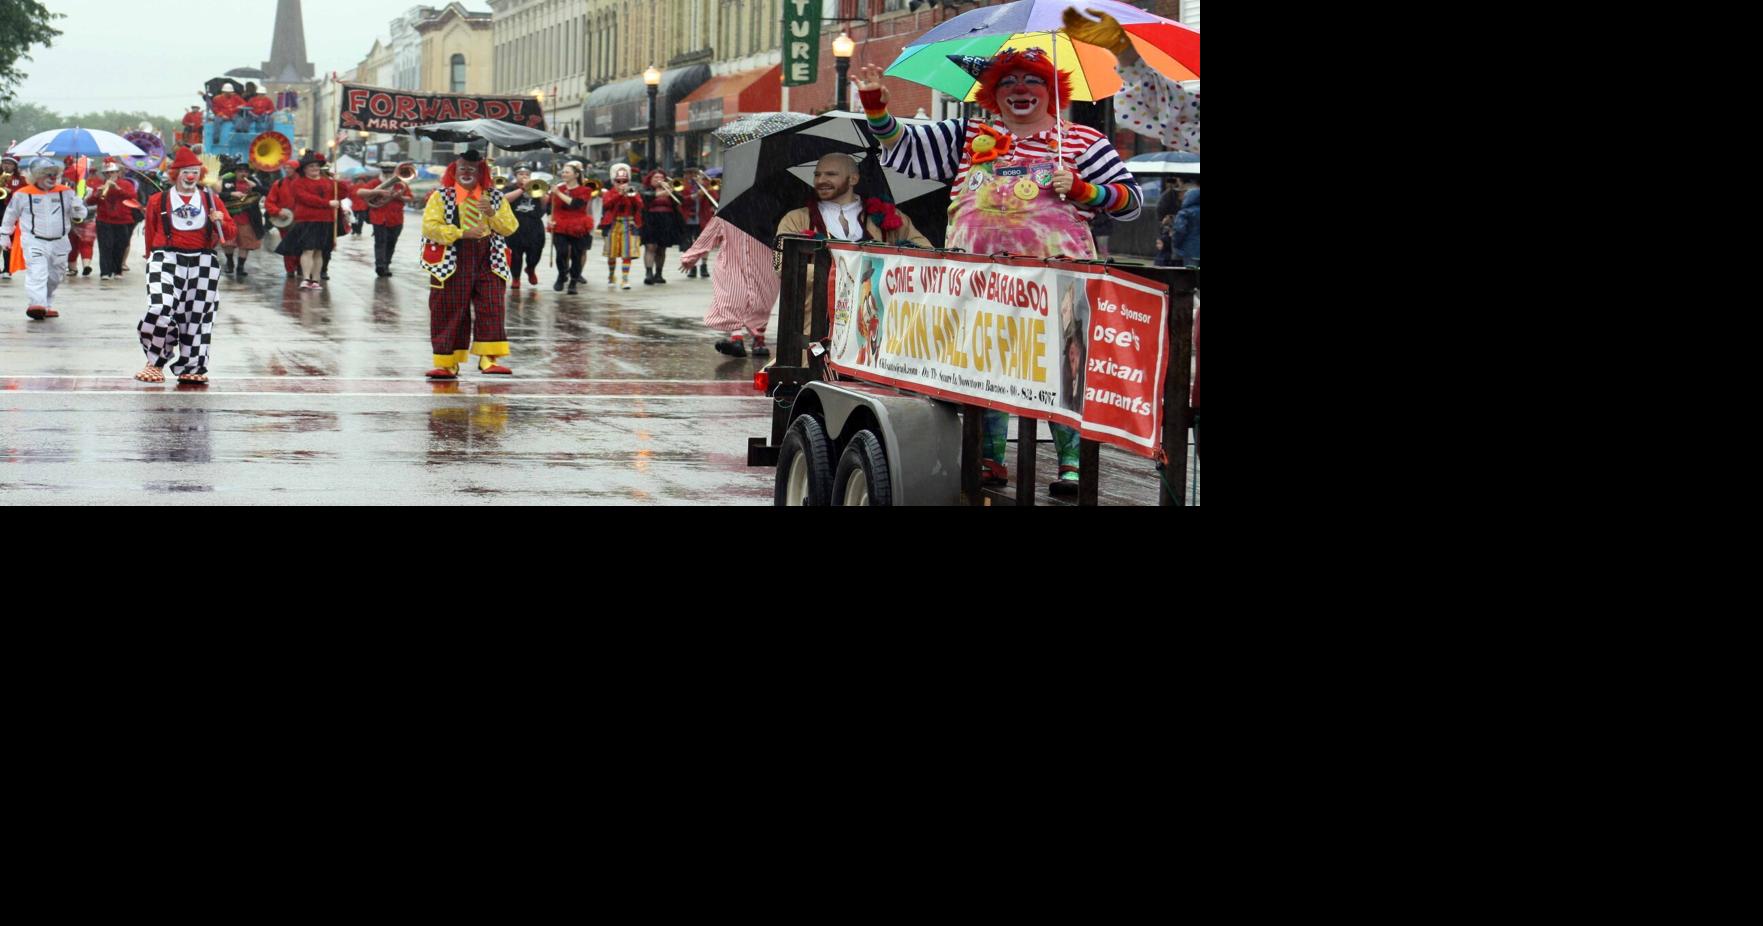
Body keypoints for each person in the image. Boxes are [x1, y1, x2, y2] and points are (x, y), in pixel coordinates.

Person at [858, 47, 1142, 495]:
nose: (1019, 90)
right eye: (1007, 83)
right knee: (987, 363)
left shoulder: (1084, 141)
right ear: (993, 93)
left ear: (1051, 90)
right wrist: (877, 108)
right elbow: (903, 149)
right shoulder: (968, 135)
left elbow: (1131, 202)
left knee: (1062, 367)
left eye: (1031, 80)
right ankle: (991, 457)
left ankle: (1071, 461)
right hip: (980, 282)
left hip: (1059, 280)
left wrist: (1087, 189)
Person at [133, 146, 237, 384]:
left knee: (197, 316)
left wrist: (221, 221)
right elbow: (150, 231)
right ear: (175, 174)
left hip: (203, 261)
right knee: (159, 308)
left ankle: (192, 365)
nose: (190, 176)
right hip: (166, 258)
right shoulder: (158, 200)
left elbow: (228, 235)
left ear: (200, 174)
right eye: (185, 172)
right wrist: (150, 256)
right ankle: (155, 361)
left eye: (194, 171)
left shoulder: (212, 200)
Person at [418, 149, 519, 379]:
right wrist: (463, 233)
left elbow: (510, 228)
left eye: (472, 169)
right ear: (454, 170)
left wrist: (492, 213)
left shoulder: (495, 197)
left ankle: (489, 358)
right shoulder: (441, 196)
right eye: (462, 168)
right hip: (453, 258)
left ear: (480, 172)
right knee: (449, 307)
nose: (466, 172)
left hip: (489, 257)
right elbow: (430, 227)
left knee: (492, 305)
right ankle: (447, 362)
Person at [1, 158, 88, 319]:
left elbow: (79, 216)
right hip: (34, 240)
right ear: (36, 175)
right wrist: (4, 235)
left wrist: (77, 207)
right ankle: (36, 304)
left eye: (54, 173)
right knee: (37, 272)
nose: (52, 177)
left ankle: (46, 303)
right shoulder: (22, 194)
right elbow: (10, 215)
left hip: (60, 241)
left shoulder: (66, 192)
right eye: (47, 173)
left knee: (55, 276)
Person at [680, 216, 777, 357]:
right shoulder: (728, 215)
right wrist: (690, 257)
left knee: (761, 303)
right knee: (733, 297)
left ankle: (758, 339)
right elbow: (708, 236)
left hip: (764, 265)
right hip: (732, 263)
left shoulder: (773, 213)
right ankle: (736, 338)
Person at [274, 155, 339, 290]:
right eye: (311, 166)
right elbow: (306, 198)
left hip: (326, 220)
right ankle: (306, 278)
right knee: (308, 250)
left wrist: (339, 181)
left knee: (319, 252)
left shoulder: (328, 181)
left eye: (316, 166)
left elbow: (342, 193)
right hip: (307, 220)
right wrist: (327, 203)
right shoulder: (298, 183)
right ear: (304, 170)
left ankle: (315, 280)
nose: (315, 168)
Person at [359, 162, 414, 277]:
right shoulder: (375, 182)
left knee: (391, 243)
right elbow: (360, 192)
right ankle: (380, 265)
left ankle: (387, 264)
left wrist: (400, 196)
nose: (388, 173)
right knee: (380, 242)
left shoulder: (401, 184)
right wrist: (377, 191)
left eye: (390, 171)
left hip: (396, 218)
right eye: (386, 171)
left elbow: (410, 198)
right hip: (379, 217)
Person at [87, 159, 139, 281]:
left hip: (123, 220)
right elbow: (89, 202)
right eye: (107, 173)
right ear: (104, 174)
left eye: (112, 172)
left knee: (121, 246)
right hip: (104, 220)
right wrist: (96, 194)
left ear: (118, 173)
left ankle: (117, 270)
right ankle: (105, 272)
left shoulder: (126, 184)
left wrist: (118, 189)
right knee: (105, 246)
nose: (110, 175)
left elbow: (133, 197)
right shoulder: (100, 185)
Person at [548, 162, 593, 294]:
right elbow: (550, 207)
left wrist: (558, 193)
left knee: (576, 255)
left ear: (576, 175)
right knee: (561, 253)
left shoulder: (585, 190)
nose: (563, 174)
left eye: (567, 172)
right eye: (563, 171)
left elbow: (576, 204)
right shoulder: (558, 188)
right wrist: (550, 219)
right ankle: (562, 275)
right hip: (560, 224)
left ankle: (573, 281)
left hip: (578, 224)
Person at [502, 166, 547, 290]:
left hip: (534, 225)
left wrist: (541, 191)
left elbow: (545, 203)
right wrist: (523, 188)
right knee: (515, 254)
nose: (524, 176)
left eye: (526, 174)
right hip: (515, 225)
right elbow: (504, 199)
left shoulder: (537, 185)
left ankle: (530, 268)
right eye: (521, 174)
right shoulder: (510, 187)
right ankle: (516, 277)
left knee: (536, 252)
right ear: (516, 176)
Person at [639, 168, 687, 285]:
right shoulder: (645, 190)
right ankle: (649, 273)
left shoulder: (669, 190)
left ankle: (659, 273)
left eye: (661, 178)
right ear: (650, 180)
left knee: (662, 248)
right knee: (650, 247)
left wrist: (672, 191)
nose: (659, 180)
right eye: (656, 177)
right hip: (650, 220)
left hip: (666, 220)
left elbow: (681, 201)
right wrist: (659, 193)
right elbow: (644, 198)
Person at [599, 162, 642, 289]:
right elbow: (606, 205)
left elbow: (640, 206)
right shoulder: (609, 193)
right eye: (618, 181)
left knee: (627, 253)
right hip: (613, 224)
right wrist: (619, 195)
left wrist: (631, 196)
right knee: (611, 254)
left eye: (624, 180)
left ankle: (625, 279)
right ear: (614, 181)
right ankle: (611, 275)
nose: (621, 183)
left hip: (628, 224)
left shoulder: (633, 192)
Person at [219, 165, 265, 279]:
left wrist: (256, 187)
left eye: (245, 171)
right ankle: (230, 262)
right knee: (228, 243)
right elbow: (218, 195)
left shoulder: (254, 181)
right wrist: (231, 194)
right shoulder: (227, 181)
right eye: (240, 171)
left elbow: (267, 191)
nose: (243, 174)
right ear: (235, 172)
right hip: (231, 218)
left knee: (245, 244)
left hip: (248, 219)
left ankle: (240, 267)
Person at [679, 166, 716, 278]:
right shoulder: (682, 185)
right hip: (688, 218)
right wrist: (694, 196)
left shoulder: (706, 184)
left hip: (702, 218)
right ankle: (692, 266)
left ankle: (704, 266)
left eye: (695, 173)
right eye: (689, 173)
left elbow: (715, 198)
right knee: (689, 244)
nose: (692, 176)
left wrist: (706, 187)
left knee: (704, 243)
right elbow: (680, 200)